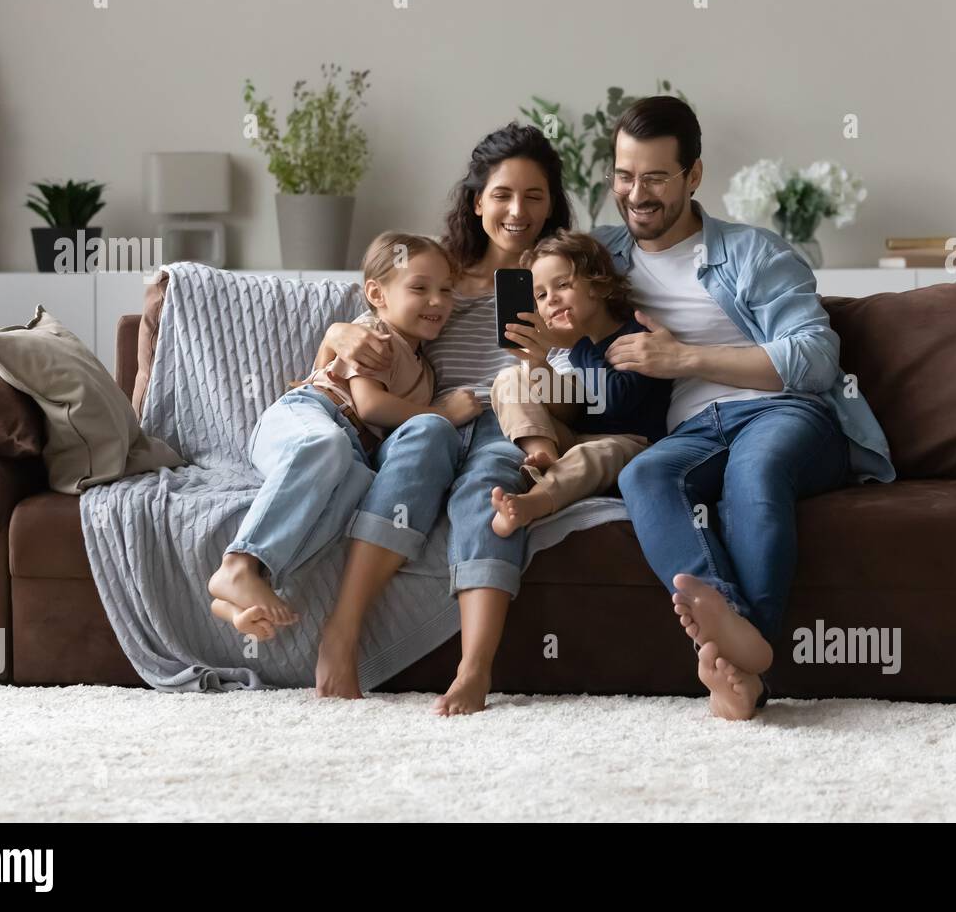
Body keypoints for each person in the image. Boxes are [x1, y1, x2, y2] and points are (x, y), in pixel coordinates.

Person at [595, 96, 896, 721]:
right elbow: (523, 264)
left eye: (655, 177)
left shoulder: (753, 252)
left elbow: (814, 357)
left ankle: (746, 660)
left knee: (754, 472)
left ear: (694, 175)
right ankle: (744, 663)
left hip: (784, 413)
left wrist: (684, 359)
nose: (636, 194)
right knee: (643, 475)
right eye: (624, 176)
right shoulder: (601, 261)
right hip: (693, 431)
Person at [311, 122, 574, 714]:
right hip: (430, 416)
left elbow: (570, 405)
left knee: (490, 487)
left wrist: (539, 364)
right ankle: (342, 634)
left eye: (534, 196)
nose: (517, 211)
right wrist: (337, 333)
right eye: (502, 194)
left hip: (507, 421)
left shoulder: (557, 281)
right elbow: (368, 330)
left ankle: (473, 670)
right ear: (477, 201)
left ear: (551, 205)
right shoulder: (436, 273)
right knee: (425, 435)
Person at [207, 232, 468, 641]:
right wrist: (444, 414)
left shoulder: (425, 370)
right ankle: (237, 563)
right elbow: (370, 405)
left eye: (446, 290)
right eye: (420, 288)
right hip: (307, 414)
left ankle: (240, 593)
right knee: (326, 445)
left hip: (351, 449)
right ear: (377, 294)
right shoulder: (372, 334)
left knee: (354, 487)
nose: (437, 301)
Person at [488, 228, 671, 535]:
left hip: (629, 444)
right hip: (575, 439)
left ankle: (532, 503)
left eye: (562, 285)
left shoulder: (635, 336)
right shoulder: (571, 349)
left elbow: (614, 401)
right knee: (511, 376)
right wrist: (537, 362)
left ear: (599, 285)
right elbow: (572, 413)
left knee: (599, 452)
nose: (551, 299)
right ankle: (544, 454)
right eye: (541, 295)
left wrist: (578, 345)